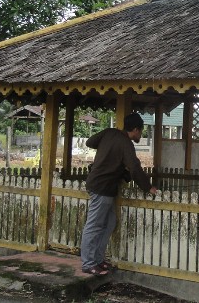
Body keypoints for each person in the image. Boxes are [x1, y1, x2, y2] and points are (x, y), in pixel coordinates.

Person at [80, 112, 157, 276]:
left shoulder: (109, 133)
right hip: (101, 187)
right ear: (135, 129)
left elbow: (90, 142)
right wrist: (148, 187)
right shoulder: (126, 143)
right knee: (94, 225)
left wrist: (106, 150)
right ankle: (88, 263)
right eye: (140, 131)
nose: (140, 135)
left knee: (109, 223)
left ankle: (98, 259)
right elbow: (134, 168)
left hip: (103, 186)